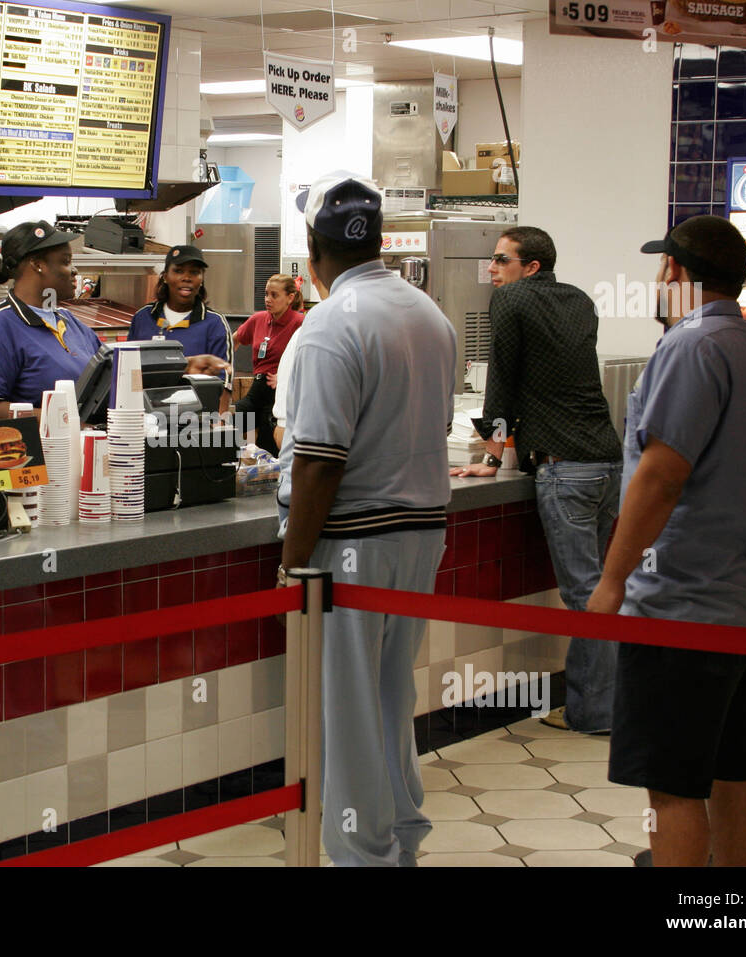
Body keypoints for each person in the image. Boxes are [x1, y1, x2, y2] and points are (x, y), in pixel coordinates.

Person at [587, 215, 746, 867]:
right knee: (733, 769)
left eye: (661, 269)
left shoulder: (689, 346)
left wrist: (612, 580)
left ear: (675, 272)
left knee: (673, 785)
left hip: (682, 607)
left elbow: (662, 475)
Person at [277, 170, 457, 867]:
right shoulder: (427, 313)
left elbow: (320, 461)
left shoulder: (328, 326)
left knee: (346, 712)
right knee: (388, 695)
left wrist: (294, 561)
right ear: (380, 240)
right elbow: (437, 423)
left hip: (352, 542)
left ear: (313, 253)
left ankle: (362, 855)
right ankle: (401, 839)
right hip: (419, 534)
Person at [451, 226, 623, 735]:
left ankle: (596, 713)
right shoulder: (580, 300)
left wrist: (492, 452)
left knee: (586, 597)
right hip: (607, 458)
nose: (491, 269)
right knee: (603, 591)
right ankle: (611, 703)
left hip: (565, 467)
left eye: (501, 260)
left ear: (530, 267)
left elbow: (501, 376)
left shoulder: (513, 300)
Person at [0, 220, 102, 420]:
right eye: (65, 261)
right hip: (30, 449)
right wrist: (60, 419)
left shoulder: (70, 321)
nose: (74, 270)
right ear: (38, 265)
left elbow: (107, 377)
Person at [127, 245, 234, 411]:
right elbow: (128, 372)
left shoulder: (215, 323)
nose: (187, 278)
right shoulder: (143, 318)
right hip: (145, 416)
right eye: (178, 271)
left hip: (195, 421)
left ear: (202, 279)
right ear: (165, 277)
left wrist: (218, 426)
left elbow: (224, 383)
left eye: (194, 272)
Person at [232, 274, 305, 453]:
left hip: (278, 392)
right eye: (266, 294)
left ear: (290, 298)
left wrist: (284, 376)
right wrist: (225, 367)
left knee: (267, 443)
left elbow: (308, 359)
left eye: (274, 295)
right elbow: (233, 340)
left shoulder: (300, 323)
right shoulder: (258, 319)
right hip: (257, 387)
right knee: (232, 425)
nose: (268, 300)